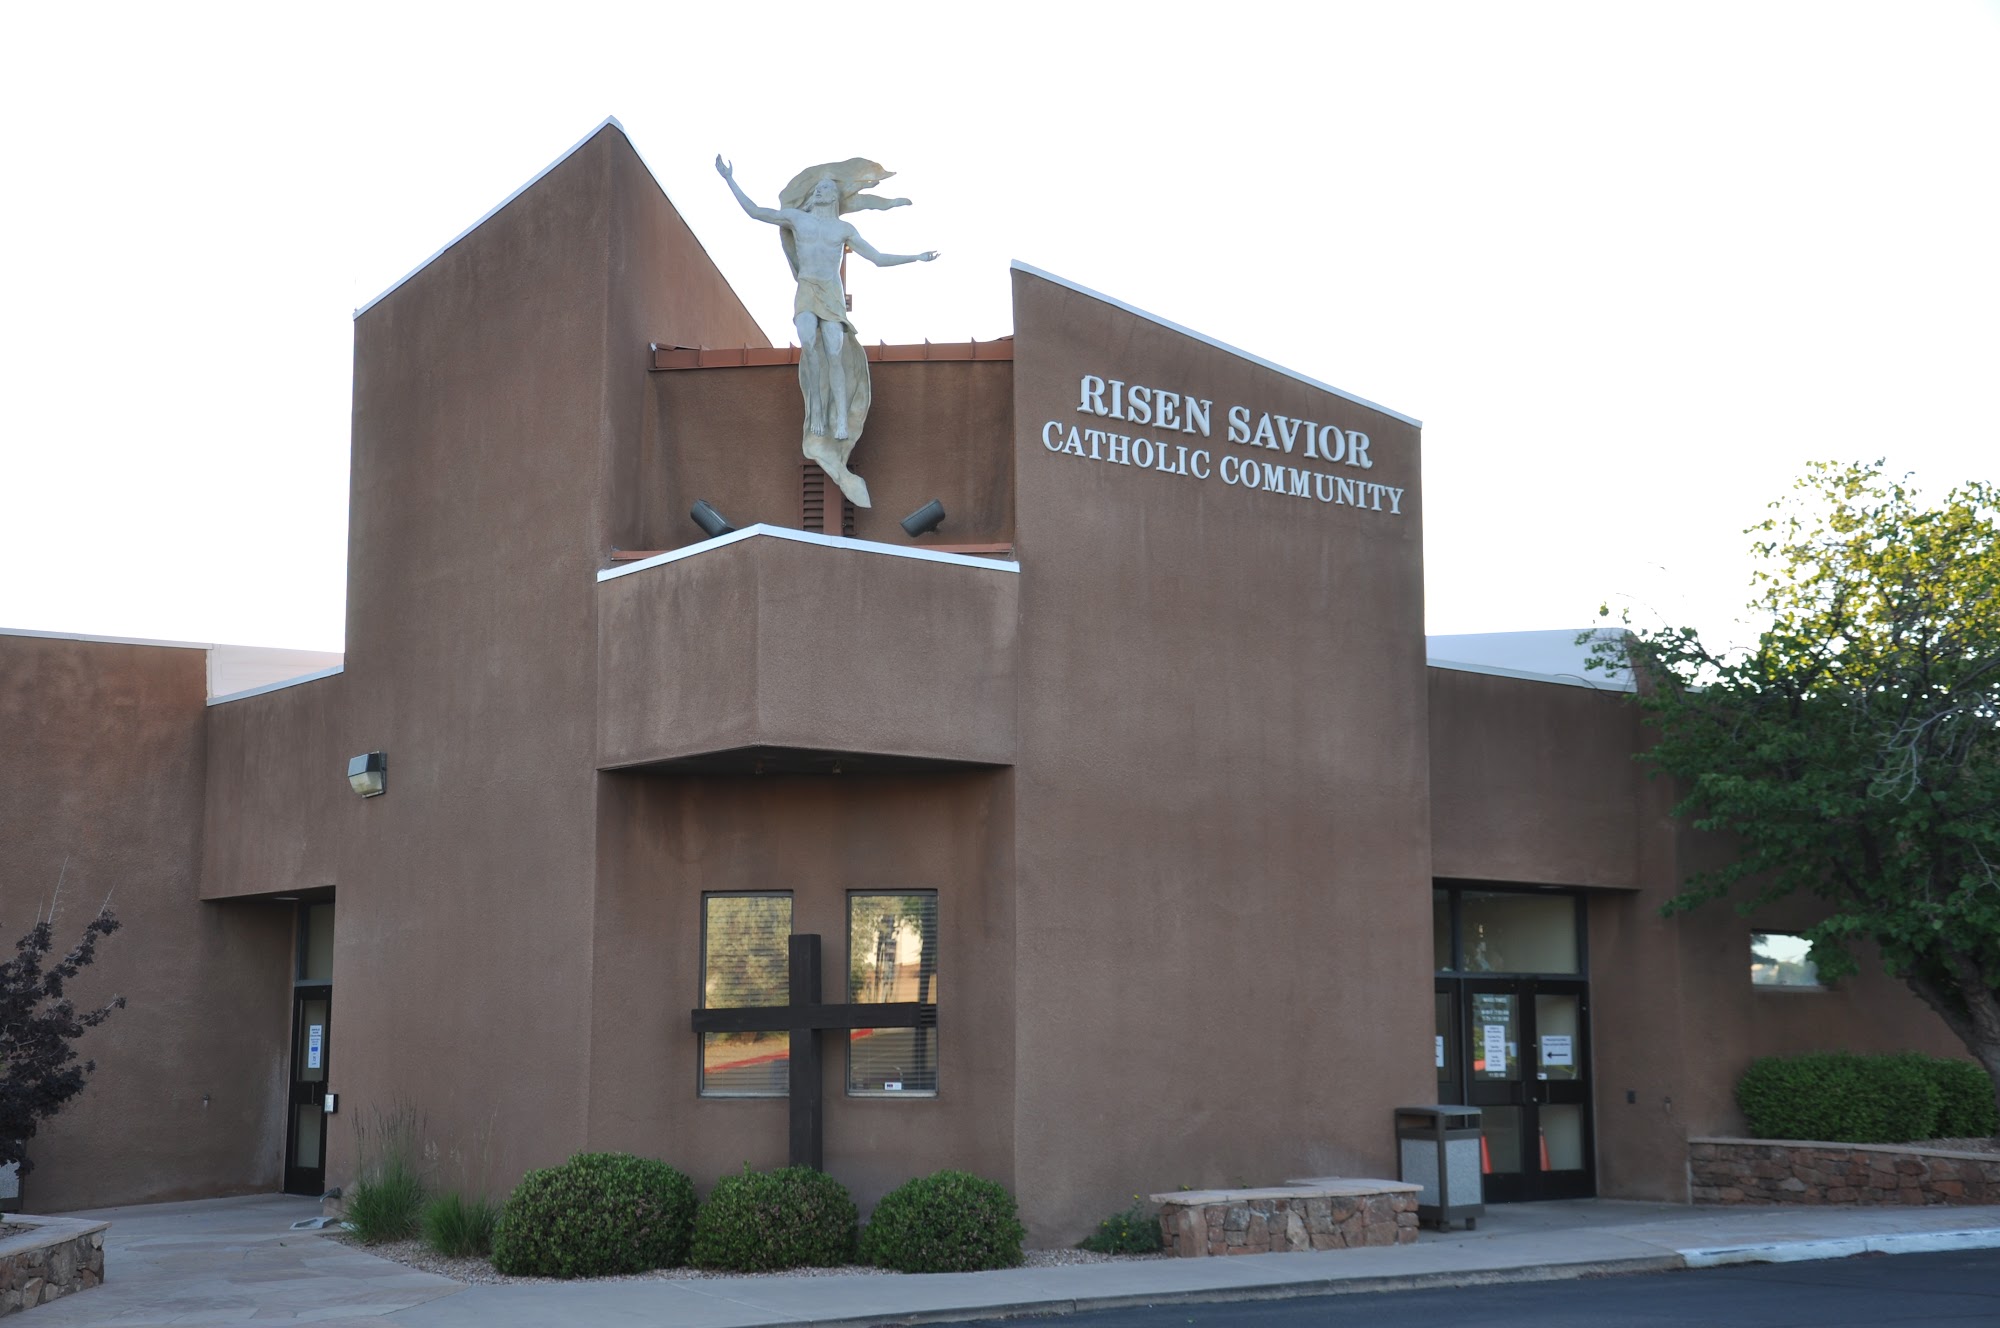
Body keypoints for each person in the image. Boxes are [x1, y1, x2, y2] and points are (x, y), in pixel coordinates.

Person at [716, 156, 938, 507]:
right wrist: (730, 180)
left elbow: (877, 258)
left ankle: (837, 417)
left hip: (831, 293)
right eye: (817, 188)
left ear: (833, 198)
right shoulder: (797, 220)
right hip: (807, 288)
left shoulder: (843, 231)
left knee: (834, 347)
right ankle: (817, 412)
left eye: (825, 189)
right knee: (809, 341)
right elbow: (756, 212)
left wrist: (916, 257)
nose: (819, 191)